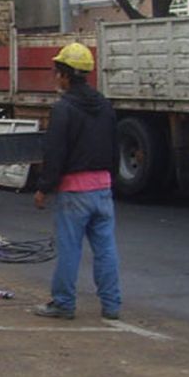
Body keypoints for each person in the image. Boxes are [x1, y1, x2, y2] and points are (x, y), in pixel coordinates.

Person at [33, 43, 122, 321]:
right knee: (106, 249)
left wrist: (44, 188)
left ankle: (63, 303)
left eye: (57, 72)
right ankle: (112, 306)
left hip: (74, 192)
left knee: (70, 249)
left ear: (66, 75)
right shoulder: (105, 106)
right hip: (102, 188)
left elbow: (55, 152)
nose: (55, 77)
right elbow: (114, 146)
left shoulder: (63, 109)